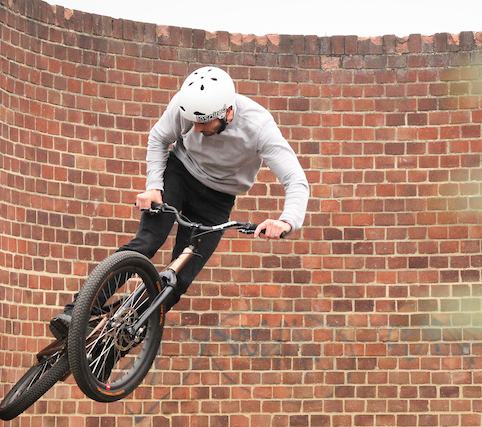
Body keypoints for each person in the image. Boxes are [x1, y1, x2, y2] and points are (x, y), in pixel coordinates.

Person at [50, 66, 309, 339]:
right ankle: (77, 311)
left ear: (227, 113)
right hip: (179, 174)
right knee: (147, 241)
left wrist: (285, 221)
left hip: (218, 201)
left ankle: (113, 344)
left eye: (203, 123)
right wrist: (153, 187)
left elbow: (295, 179)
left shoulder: (259, 127)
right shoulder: (185, 105)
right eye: (191, 121)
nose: (194, 129)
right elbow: (159, 138)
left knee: (178, 281)